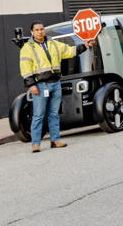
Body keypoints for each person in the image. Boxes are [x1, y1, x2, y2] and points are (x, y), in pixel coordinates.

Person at [19, 21, 94, 153]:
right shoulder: (28, 48)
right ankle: (35, 144)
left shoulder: (53, 43)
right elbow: (25, 68)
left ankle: (55, 140)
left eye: (41, 29)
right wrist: (31, 85)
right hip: (41, 86)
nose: (40, 32)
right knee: (38, 115)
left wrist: (85, 46)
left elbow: (69, 51)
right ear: (32, 32)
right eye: (36, 30)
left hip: (55, 84)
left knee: (54, 114)